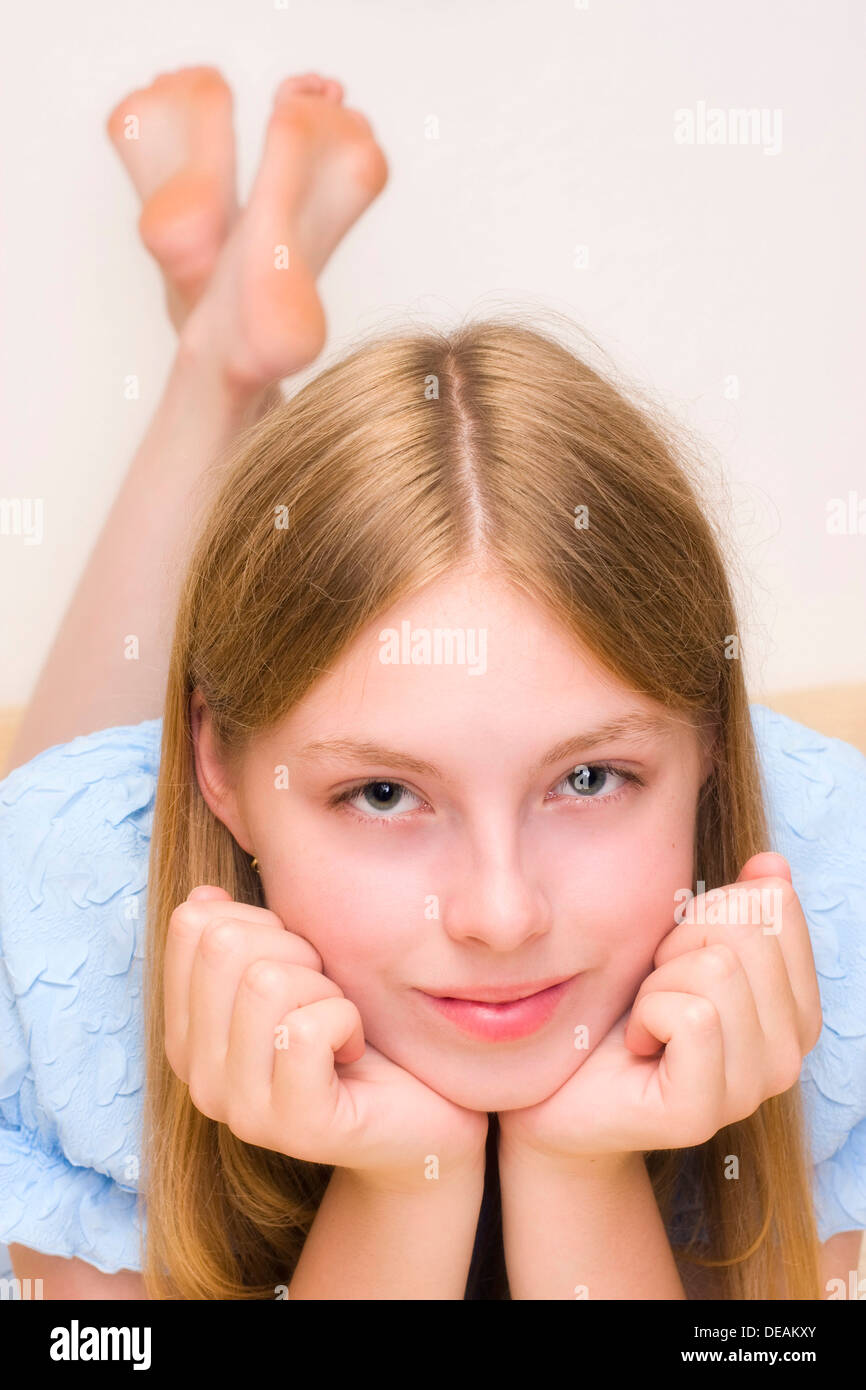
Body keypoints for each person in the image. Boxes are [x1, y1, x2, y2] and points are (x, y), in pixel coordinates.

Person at [1, 67, 864, 1301]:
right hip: (99, 863)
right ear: (219, 772)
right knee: (69, 830)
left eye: (587, 776)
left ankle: (227, 331)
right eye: (384, 798)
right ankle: (223, 346)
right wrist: (397, 1182)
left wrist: (580, 1167)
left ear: (715, 748)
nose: (500, 916)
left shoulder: (837, 933)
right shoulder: (70, 982)